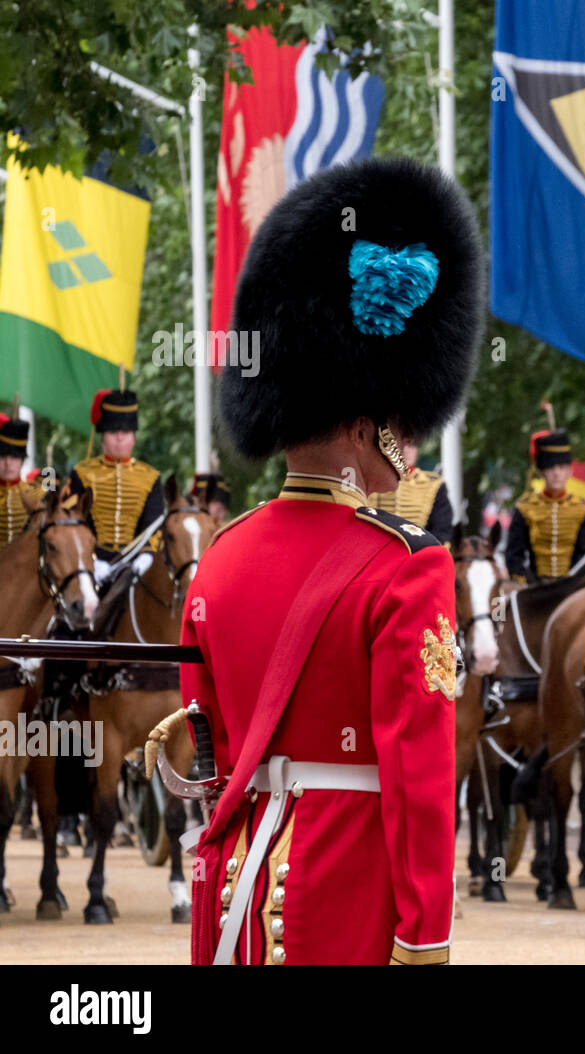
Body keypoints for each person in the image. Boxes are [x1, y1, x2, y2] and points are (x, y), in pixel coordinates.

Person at [180, 156, 484, 965]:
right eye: (403, 422)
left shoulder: (219, 559)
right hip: (346, 904)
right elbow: (420, 785)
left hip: (239, 904)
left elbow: (207, 752)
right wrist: (424, 942)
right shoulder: (408, 568)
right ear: (365, 424)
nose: (411, 446)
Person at [67, 389, 164, 583]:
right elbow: (71, 520)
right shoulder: (81, 473)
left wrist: (147, 555)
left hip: (135, 566)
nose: (120, 438)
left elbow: (154, 524)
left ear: (134, 436)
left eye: (126, 432)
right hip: (89, 566)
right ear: (102, 437)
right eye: (113, 432)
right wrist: (91, 559)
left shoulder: (151, 477)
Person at [504, 429, 585, 582]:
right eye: (550, 468)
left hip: (572, 587)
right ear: (541, 472)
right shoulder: (525, 508)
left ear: (569, 471)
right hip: (535, 587)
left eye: (561, 468)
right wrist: (527, 581)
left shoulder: (583, 509)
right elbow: (514, 554)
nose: (556, 473)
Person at [366, 438, 453, 543]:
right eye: (400, 444)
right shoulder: (371, 479)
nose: (406, 451)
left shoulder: (434, 485)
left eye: (411, 446)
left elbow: (441, 530)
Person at [0, 414, 42, 545]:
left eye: (14, 457)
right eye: (2, 457)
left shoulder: (37, 496)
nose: (8, 463)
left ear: (22, 461)